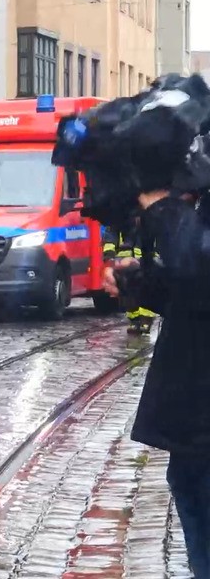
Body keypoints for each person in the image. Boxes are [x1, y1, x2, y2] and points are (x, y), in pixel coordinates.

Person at [104, 186, 210, 577]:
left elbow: (198, 263)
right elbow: (195, 290)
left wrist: (162, 208)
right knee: (191, 486)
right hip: (194, 409)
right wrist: (141, 282)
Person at [101, 220, 158, 334]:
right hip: (125, 264)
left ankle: (146, 320)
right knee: (127, 293)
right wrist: (110, 257)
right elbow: (110, 238)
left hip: (145, 262)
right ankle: (134, 321)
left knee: (146, 290)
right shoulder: (119, 219)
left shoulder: (150, 217)